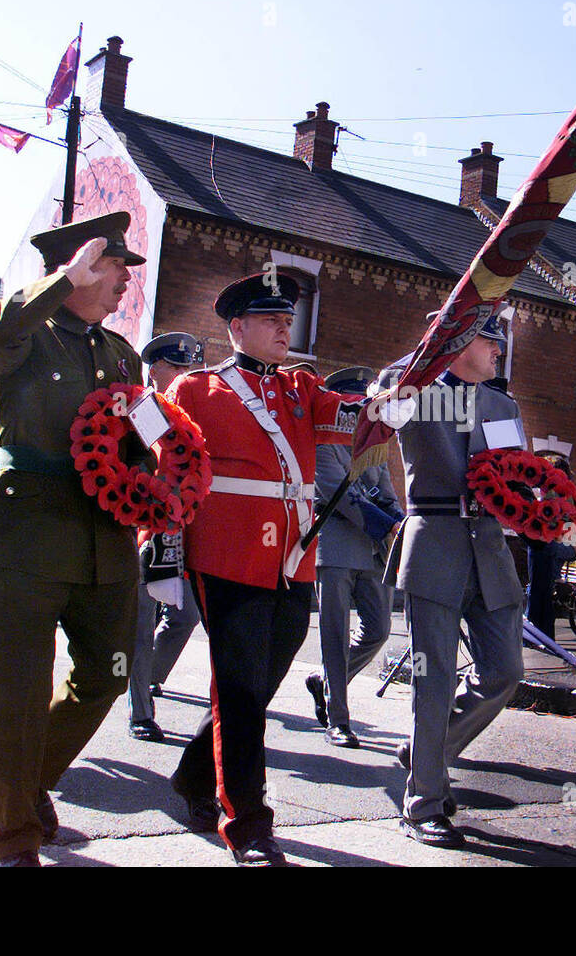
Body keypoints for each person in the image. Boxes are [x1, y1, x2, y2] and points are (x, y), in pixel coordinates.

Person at [0, 211, 148, 867]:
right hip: (27, 539)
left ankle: (26, 780)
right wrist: (57, 282)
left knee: (108, 675)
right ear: (78, 269)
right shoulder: (26, 338)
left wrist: (168, 479)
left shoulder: (122, 355)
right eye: (115, 267)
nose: (126, 282)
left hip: (104, 543)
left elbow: (147, 441)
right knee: (17, 695)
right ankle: (13, 838)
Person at [166, 271, 361, 867]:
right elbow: (167, 466)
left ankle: (194, 776)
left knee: (256, 684)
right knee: (244, 691)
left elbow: (358, 419)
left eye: (287, 320)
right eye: (271, 320)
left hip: (293, 559)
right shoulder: (197, 390)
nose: (284, 328)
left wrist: (397, 397)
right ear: (237, 328)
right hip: (226, 554)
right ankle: (248, 824)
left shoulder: (304, 388)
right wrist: (163, 552)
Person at [384, 312, 526, 850]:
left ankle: (427, 751)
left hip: (490, 550)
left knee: (506, 670)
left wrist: (546, 512)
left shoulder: (501, 404)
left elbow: (521, 472)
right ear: (462, 340)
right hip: (435, 541)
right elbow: (383, 404)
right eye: (492, 339)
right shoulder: (414, 387)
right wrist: (432, 344)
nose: (499, 351)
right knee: (434, 679)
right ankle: (423, 803)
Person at [304, 365, 403, 749]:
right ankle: (338, 719)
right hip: (337, 549)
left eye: (363, 406)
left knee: (377, 631)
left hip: (372, 552)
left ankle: (326, 684)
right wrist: (387, 525)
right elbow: (340, 495)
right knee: (334, 635)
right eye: (352, 405)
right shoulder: (322, 443)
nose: (358, 413)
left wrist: (401, 522)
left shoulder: (372, 445)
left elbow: (386, 490)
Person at [127, 331, 203, 742]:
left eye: (186, 368)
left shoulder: (187, 416)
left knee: (185, 615)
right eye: (174, 367)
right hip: (143, 526)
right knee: (141, 621)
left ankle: (148, 677)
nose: (181, 376)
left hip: (179, 529)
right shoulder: (139, 407)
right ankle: (141, 709)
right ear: (154, 369)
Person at [523, 452, 576, 643]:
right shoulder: (546, 495)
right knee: (539, 592)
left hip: (550, 549)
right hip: (542, 549)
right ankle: (540, 636)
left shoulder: (566, 499)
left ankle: (538, 636)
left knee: (540, 592)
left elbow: (569, 539)